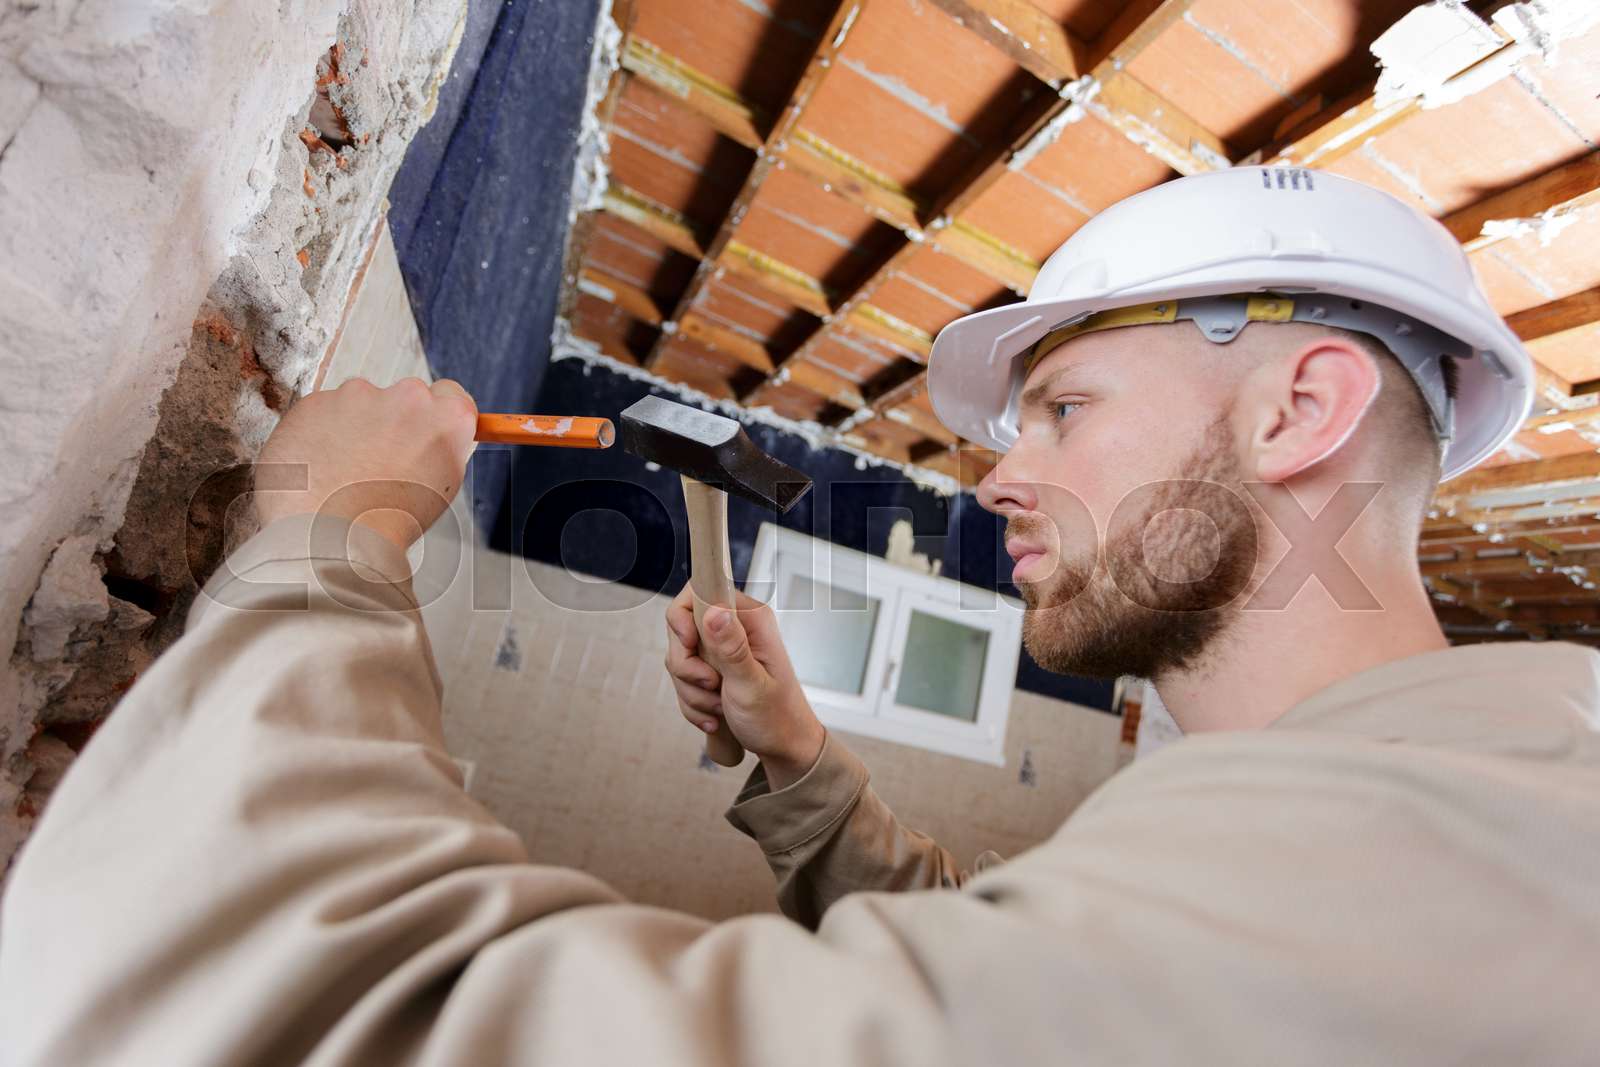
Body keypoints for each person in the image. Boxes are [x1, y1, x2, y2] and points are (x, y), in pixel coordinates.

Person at [3, 170, 1597, 1066]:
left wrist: (328, 545)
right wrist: (801, 766)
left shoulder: (1454, 859)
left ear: (1299, 407)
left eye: (1066, 407)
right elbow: (996, 963)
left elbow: (313, 1018)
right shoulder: (1425, 833)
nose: (999, 479)